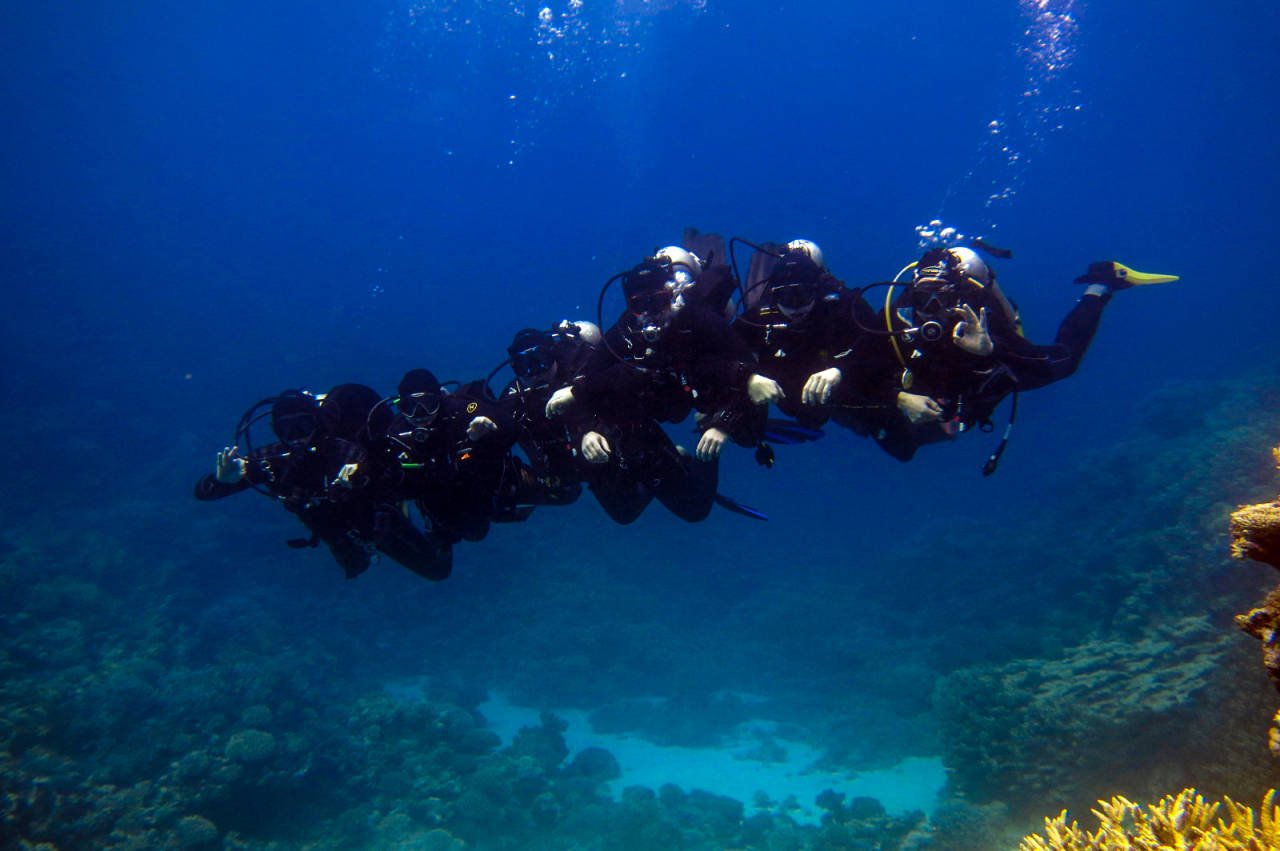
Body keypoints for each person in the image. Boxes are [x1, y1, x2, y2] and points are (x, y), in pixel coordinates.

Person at [873, 246, 1178, 466]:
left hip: (993, 358)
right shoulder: (893, 322)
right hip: (963, 382)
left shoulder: (978, 315)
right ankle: (1100, 286)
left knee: (1065, 361)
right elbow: (859, 370)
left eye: (943, 297)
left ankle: (1102, 284)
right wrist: (899, 397)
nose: (933, 308)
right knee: (900, 445)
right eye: (924, 299)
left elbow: (1029, 356)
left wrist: (989, 350)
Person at [545, 254, 774, 522]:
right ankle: (671, 458)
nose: (650, 310)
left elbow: (748, 369)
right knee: (682, 510)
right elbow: (591, 376)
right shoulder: (627, 328)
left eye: (658, 300)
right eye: (639, 304)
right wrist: (583, 415)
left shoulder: (697, 319)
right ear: (630, 305)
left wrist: (721, 423)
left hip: (710, 391)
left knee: (749, 435)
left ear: (670, 293)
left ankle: (702, 438)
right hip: (663, 402)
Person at [195, 384, 451, 580]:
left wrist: (358, 478)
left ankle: (440, 529)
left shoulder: (342, 451)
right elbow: (203, 493)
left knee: (437, 571)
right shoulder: (273, 460)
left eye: (303, 426)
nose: (296, 438)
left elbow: (366, 463)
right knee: (356, 567)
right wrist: (221, 481)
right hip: (337, 534)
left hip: (376, 523)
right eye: (287, 430)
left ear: (316, 424)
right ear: (276, 432)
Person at [734, 240, 901, 435]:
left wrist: (841, 370)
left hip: (845, 392)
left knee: (897, 443)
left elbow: (879, 348)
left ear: (817, 288)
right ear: (773, 294)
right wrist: (749, 377)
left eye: (804, 294)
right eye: (786, 297)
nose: (796, 307)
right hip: (788, 395)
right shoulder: (760, 315)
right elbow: (727, 349)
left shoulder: (842, 305)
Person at [378, 367, 518, 545]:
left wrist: (488, 430)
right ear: (400, 406)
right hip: (434, 493)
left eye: (427, 404)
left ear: (440, 399)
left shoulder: (459, 409)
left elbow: (510, 425)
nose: (419, 415)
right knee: (445, 534)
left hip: (472, 485)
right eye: (409, 406)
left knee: (476, 532)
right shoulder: (396, 431)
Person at [496, 320, 603, 511]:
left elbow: (613, 381)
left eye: (541, 361)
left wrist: (576, 393)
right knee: (566, 494)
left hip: (600, 457)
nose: (535, 373)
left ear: (553, 355)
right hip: (558, 476)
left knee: (624, 511)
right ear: (515, 369)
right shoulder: (513, 397)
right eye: (525, 366)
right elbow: (498, 429)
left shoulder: (577, 368)